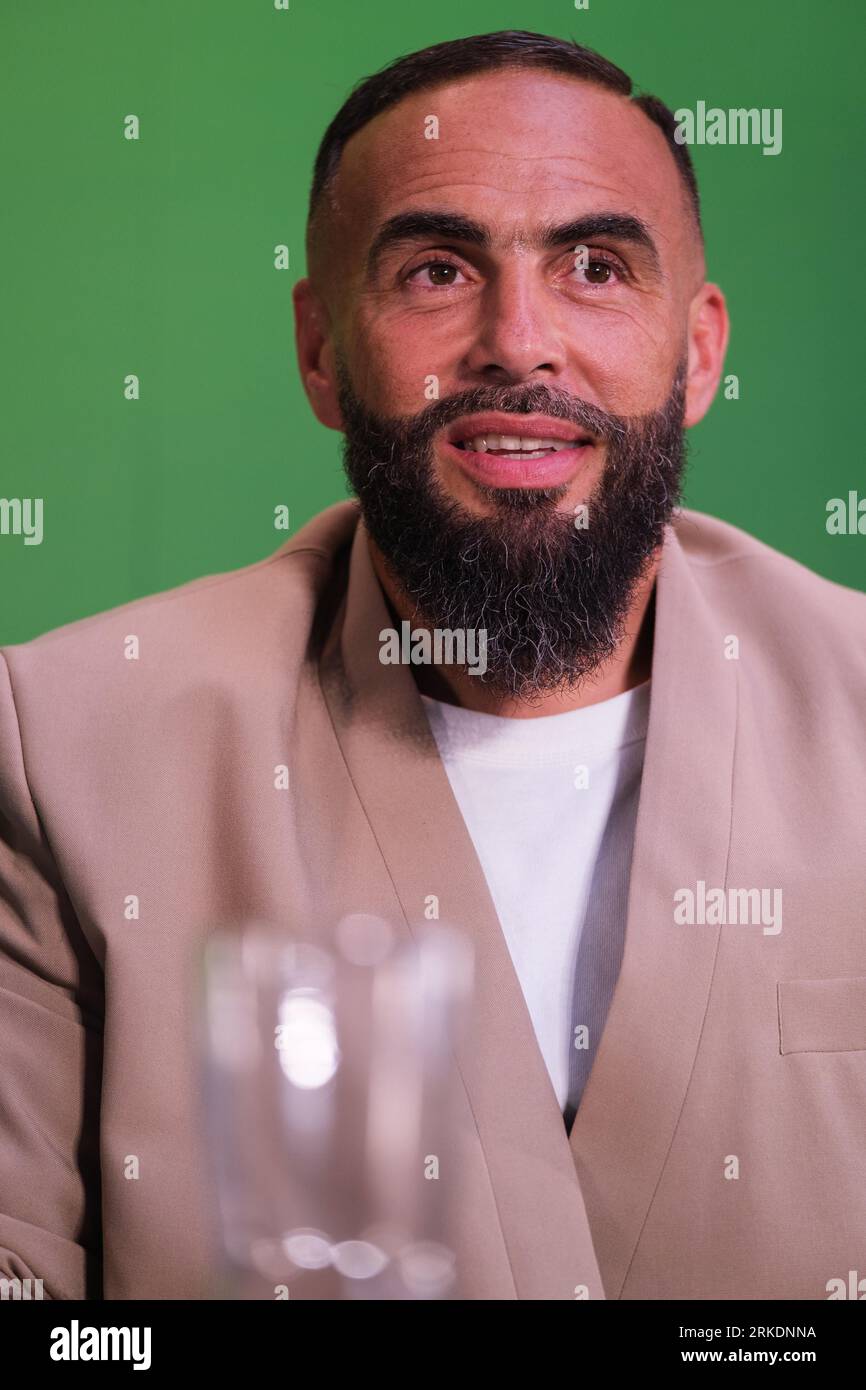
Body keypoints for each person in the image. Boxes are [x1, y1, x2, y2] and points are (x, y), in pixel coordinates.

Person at [1, 31, 864, 1301]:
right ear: (321, 351)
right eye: (437, 270)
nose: (517, 342)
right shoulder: (65, 745)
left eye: (592, 266)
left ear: (695, 354)